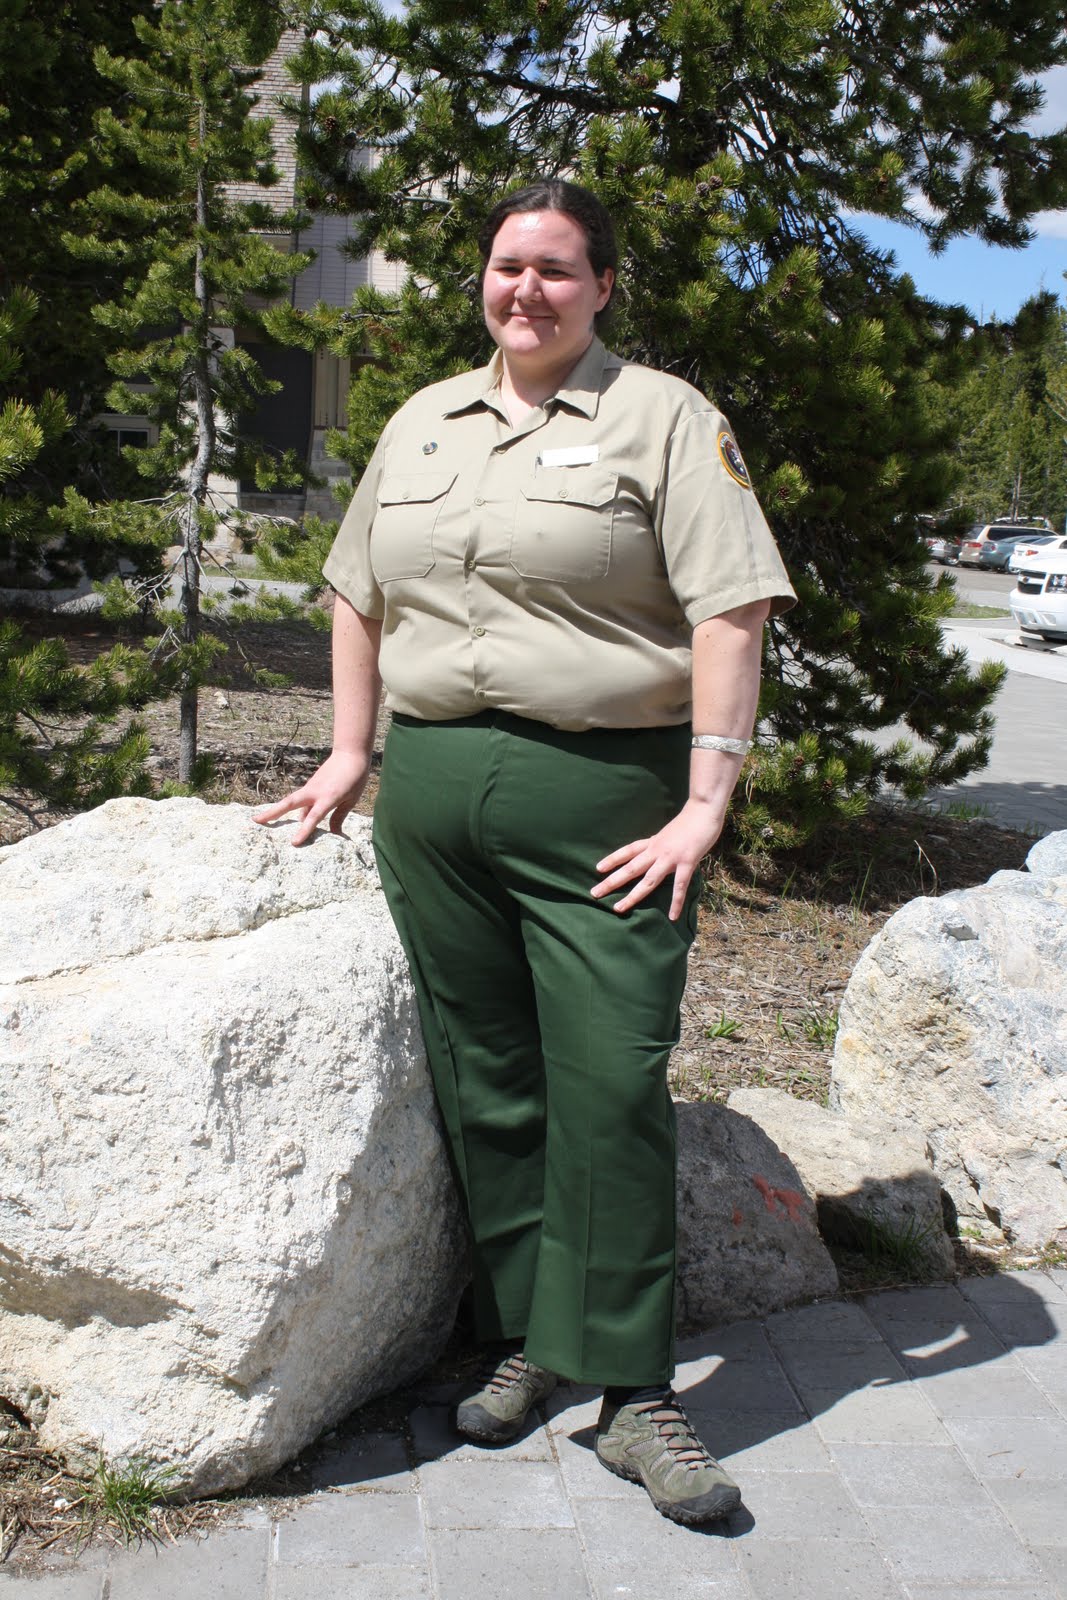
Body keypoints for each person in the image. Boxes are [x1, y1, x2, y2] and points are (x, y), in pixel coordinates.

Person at [254, 180, 795, 1527]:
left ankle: (633, 1397)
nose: (528, 291)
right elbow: (354, 589)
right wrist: (348, 752)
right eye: (508, 266)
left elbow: (733, 609)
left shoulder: (662, 418)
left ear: (603, 285)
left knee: (609, 1081)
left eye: (558, 269)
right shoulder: (425, 421)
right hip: (436, 794)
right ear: (483, 278)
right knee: (486, 1075)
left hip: (607, 796)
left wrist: (704, 807)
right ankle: (538, 1337)